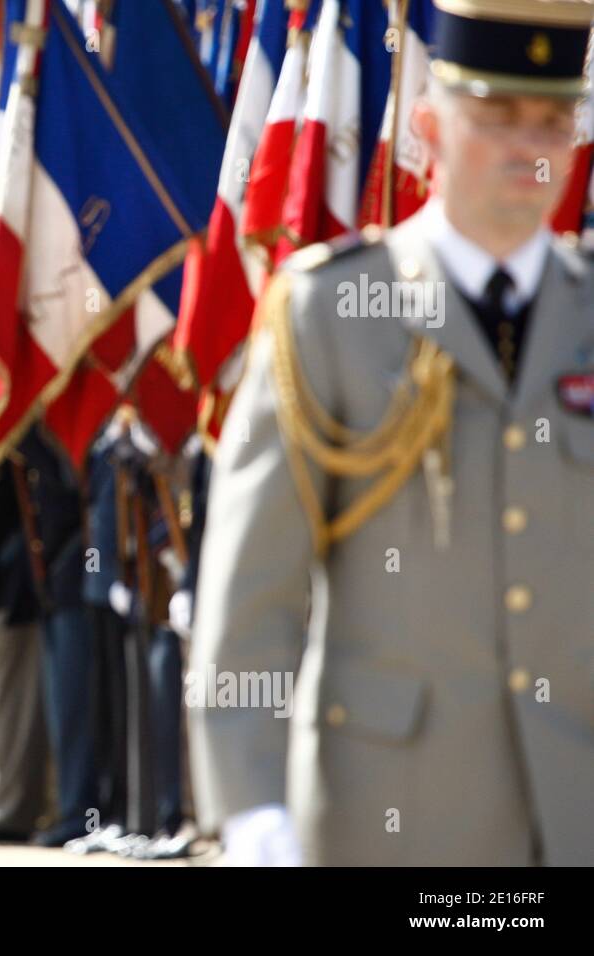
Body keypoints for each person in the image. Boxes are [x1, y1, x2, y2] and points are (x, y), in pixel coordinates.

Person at [189, 0, 594, 865]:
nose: (529, 149)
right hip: (391, 817)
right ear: (428, 127)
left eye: (552, 122)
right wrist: (254, 807)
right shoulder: (332, 312)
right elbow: (254, 592)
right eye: (495, 119)